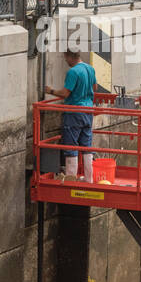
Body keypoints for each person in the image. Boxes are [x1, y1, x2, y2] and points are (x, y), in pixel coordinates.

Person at [44, 46, 96, 181]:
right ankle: (89, 179)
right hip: (88, 111)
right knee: (86, 145)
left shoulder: (73, 72)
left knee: (70, 146)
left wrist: (50, 91)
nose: (65, 60)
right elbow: (94, 88)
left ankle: (70, 179)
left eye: (65, 57)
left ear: (70, 56)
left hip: (74, 113)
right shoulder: (90, 69)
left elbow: (65, 93)